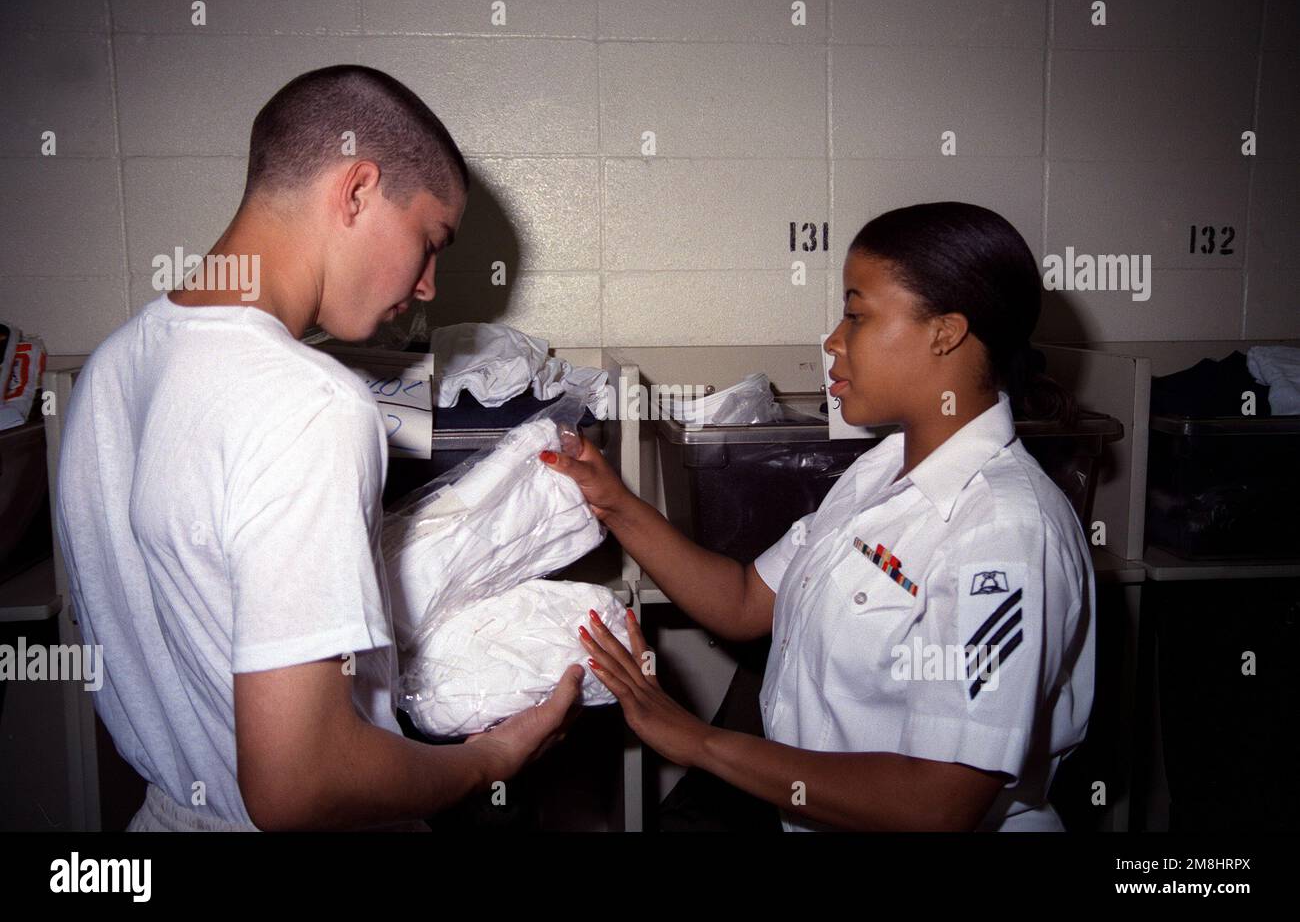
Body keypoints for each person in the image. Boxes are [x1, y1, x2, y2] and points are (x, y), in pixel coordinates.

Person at [54, 65, 582, 832]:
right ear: (357, 190)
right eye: (431, 241)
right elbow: (301, 784)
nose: (430, 284)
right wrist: (491, 759)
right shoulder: (312, 403)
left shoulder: (111, 369)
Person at [544, 202, 1095, 831]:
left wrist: (700, 742)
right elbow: (745, 600)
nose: (833, 340)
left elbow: (940, 800)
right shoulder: (880, 471)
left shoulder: (1003, 529)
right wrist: (612, 499)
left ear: (945, 332)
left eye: (856, 314)